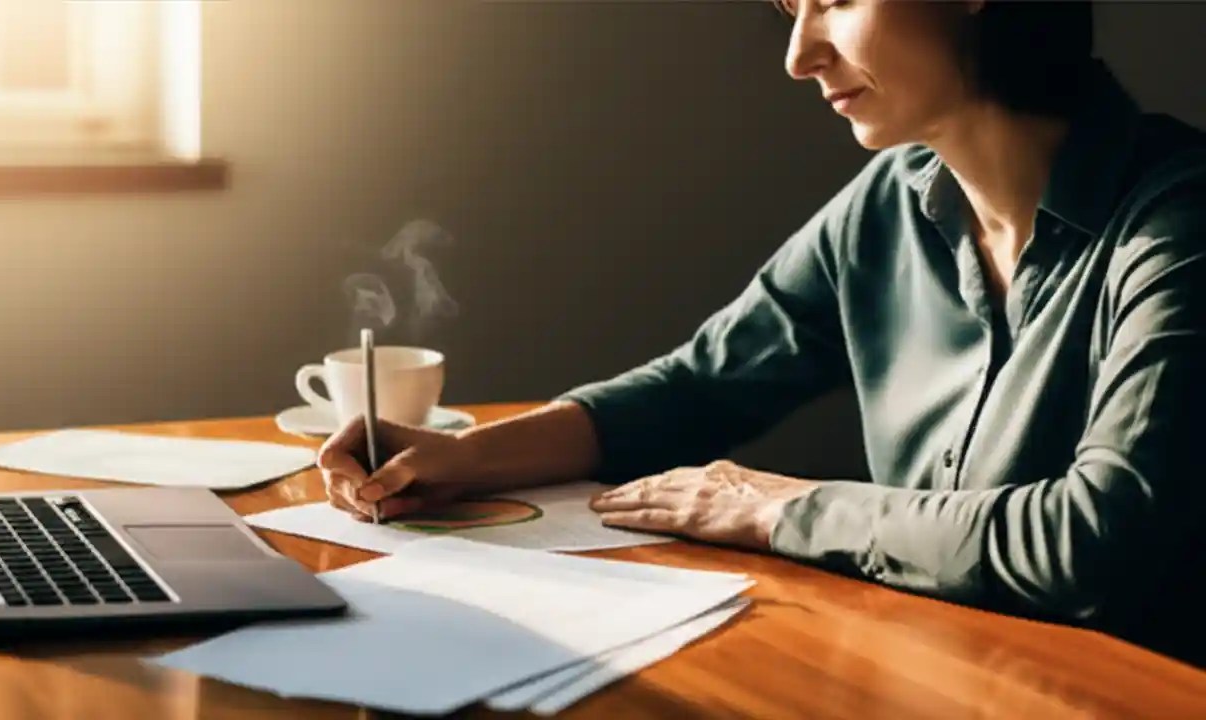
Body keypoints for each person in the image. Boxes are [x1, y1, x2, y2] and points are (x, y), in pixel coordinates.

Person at [318, 0, 1205, 661]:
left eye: (835, 1)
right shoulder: (888, 203)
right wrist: (459, 458)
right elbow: (702, 386)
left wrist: (783, 509)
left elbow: (1097, 541)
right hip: (941, 676)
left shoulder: (1177, 218)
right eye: (792, 6)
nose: (798, 54)